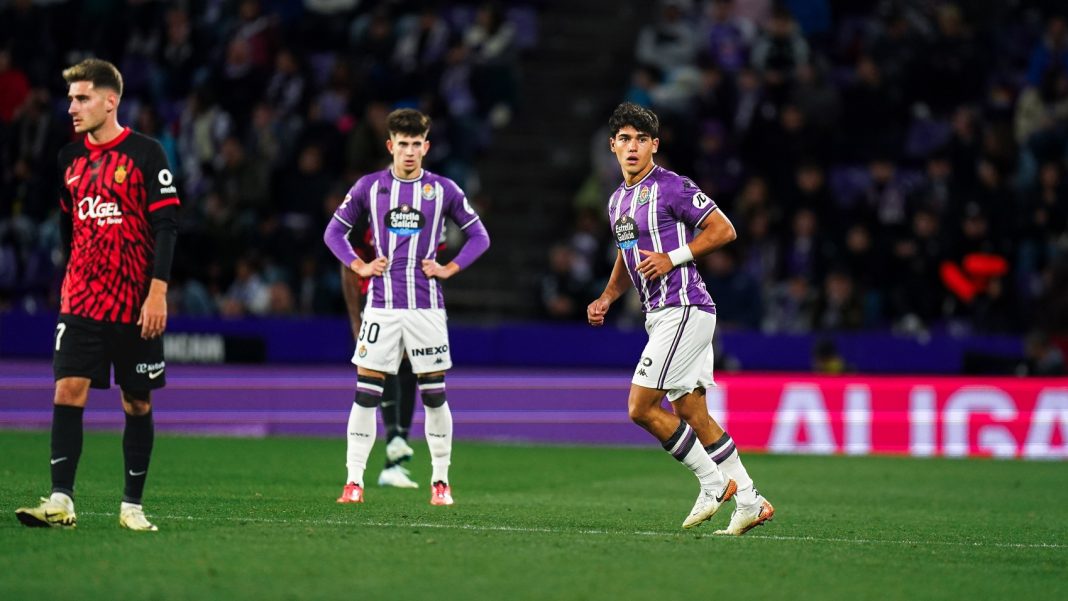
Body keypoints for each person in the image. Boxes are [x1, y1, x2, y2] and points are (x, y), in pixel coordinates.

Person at [587, 102, 773, 533]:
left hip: (684, 308)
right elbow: (626, 255)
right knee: (691, 410)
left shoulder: (671, 187)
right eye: (624, 139)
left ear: (655, 145)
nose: (632, 147)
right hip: (662, 314)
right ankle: (750, 500)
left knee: (640, 406)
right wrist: (608, 296)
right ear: (613, 146)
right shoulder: (618, 201)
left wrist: (674, 257)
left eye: (641, 140)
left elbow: (724, 229)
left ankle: (712, 482)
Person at [15, 59, 180, 531]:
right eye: (71, 98)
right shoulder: (69, 159)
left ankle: (132, 506)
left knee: (137, 401)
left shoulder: (147, 154)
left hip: (135, 301)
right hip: (83, 299)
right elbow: (68, 225)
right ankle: (61, 500)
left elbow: (167, 225)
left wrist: (157, 291)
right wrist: (73, 276)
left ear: (111, 101)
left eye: (82, 98)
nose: (73, 107)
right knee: (68, 388)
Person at [324, 108, 490, 506]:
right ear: (390, 146)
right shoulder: (370, 187)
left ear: (427, 146)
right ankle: (353, 482)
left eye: (417, 144)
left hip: (426, 309)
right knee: (365, 393)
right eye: (403, 145)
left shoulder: (444, 189)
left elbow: (479, 236)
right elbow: (333, 232)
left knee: (434, 394)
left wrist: (449, 267)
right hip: (381, 307)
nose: (410, 152)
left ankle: (440, 483)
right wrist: (359, 264)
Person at [339, 224, 419, 489]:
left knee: (409, 368)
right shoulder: (368, 215)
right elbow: (347, 265)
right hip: (374, 303)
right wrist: (354, 319)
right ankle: (362, 469)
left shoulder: (422, 217)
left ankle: (394, 462)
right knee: (379, 370)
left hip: (409, 302)